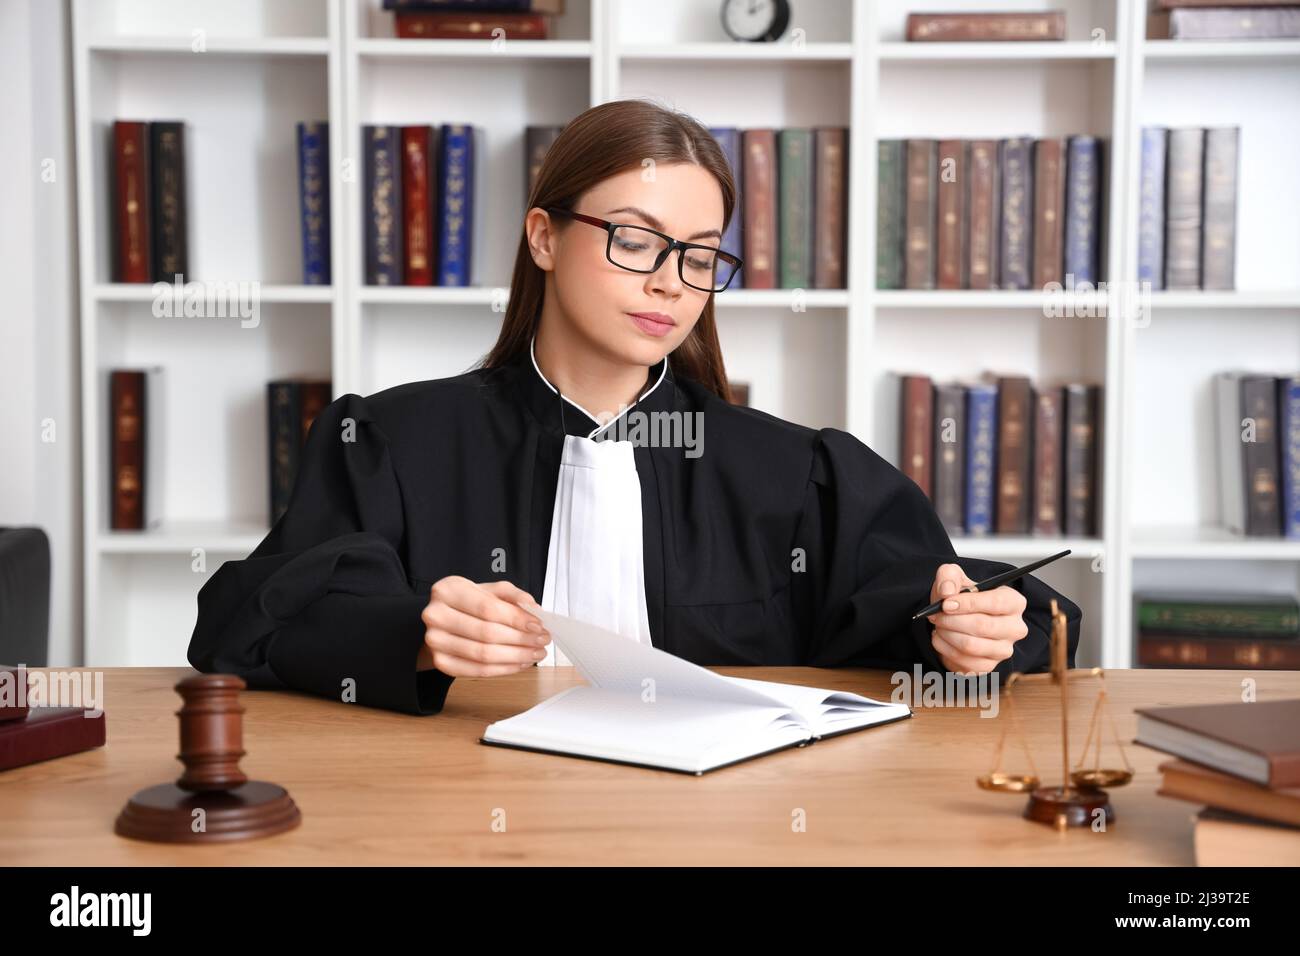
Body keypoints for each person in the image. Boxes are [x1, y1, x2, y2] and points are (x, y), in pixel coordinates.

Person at [188, 99, 1081, 715]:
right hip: (460, 821)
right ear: (543, 236)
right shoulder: (393, 442)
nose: (668, 281)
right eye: (632, 239)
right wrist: (414, 635)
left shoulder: (790, 473)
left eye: (699, 255)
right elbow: (239, 621)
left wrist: (973, 631)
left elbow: (944, 605)